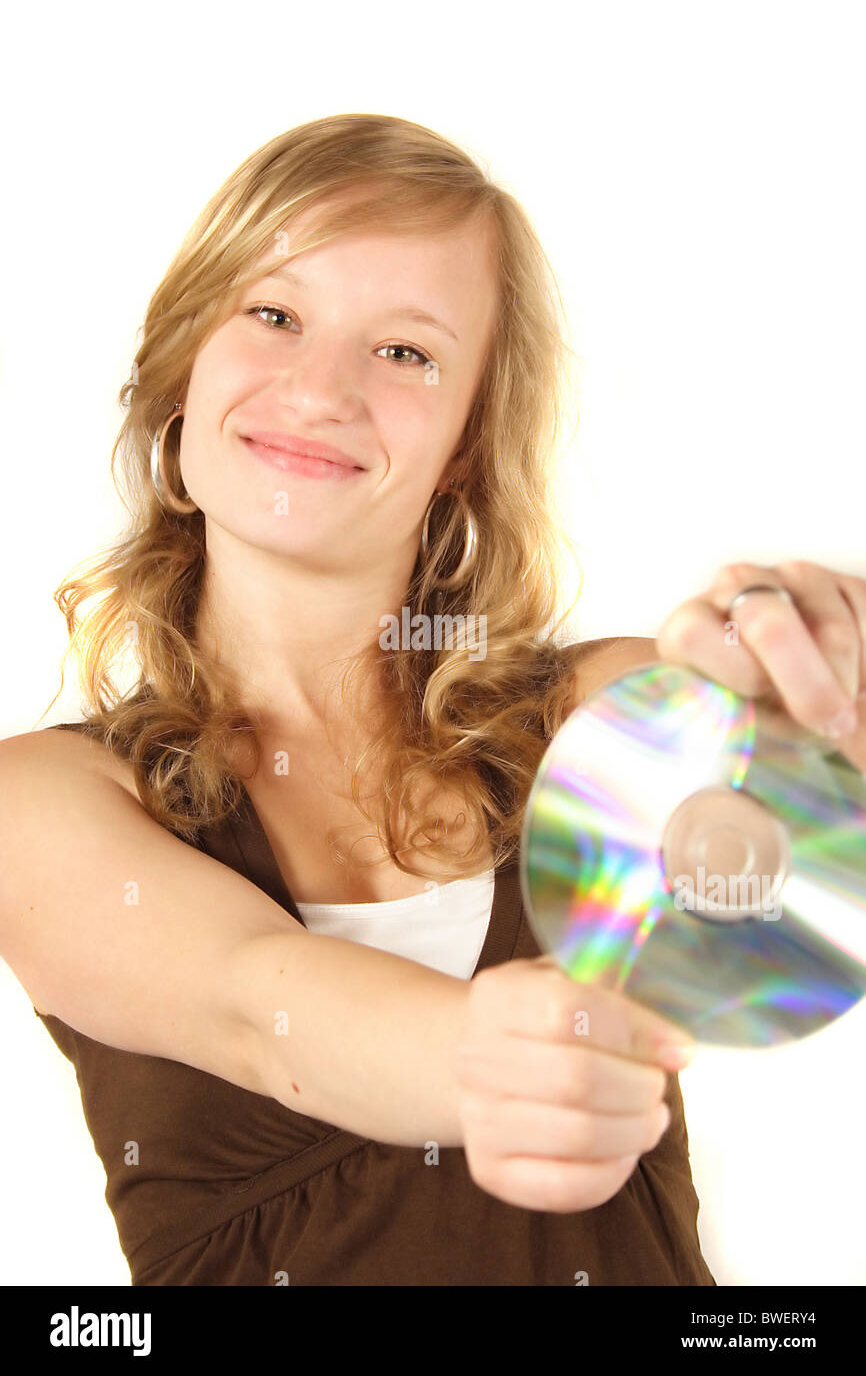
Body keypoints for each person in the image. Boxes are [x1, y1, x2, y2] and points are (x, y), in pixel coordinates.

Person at [2, 114, 862, 1287]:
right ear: (181, 373)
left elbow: (769, 887)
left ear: (463, 440)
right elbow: (266, 1014)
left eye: (404, 351)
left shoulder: (589, 719)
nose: (318, 389)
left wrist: (810, 731)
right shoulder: (41, 804)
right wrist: (498, 1057)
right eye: (273, 315)